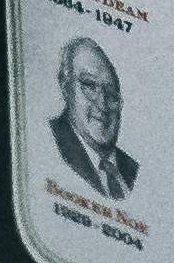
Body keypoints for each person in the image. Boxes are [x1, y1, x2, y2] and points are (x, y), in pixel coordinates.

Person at [47, 38, 137, 202]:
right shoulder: (49, 142)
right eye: (89, 85)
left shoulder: (132, 171)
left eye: (111, 94)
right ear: (66, 88)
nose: (102, 104)